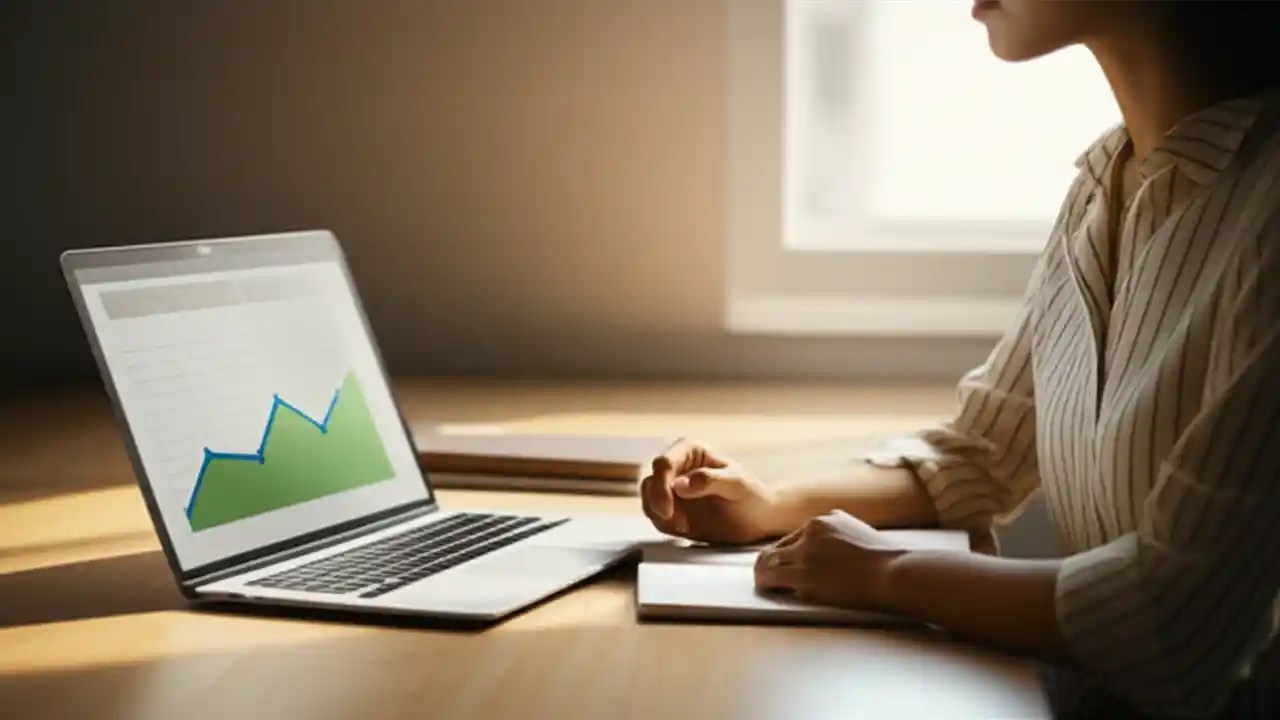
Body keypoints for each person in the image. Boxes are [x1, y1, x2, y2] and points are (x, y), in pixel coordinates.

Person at [639, 2, 1279, 718]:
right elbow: (979, 452)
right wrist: (769, 503)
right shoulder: (1106, 186)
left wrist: (888, 574)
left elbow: (1177, 620)